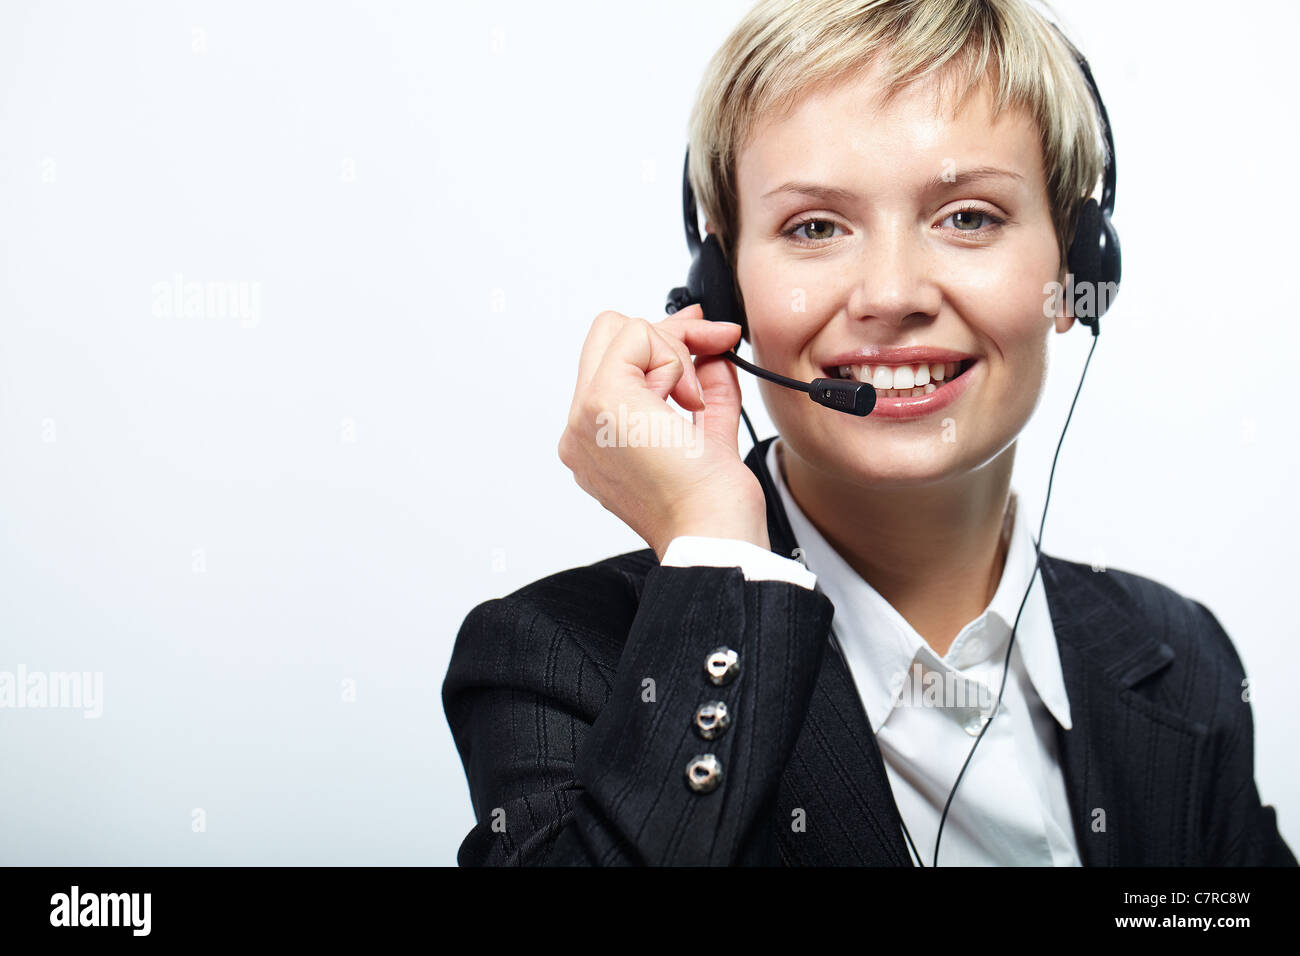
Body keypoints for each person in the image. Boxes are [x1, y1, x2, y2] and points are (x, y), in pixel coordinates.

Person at [442, 0, 1296, 866]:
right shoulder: (562, 661)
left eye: (969, 216)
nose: (892, 294)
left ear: (1080, 266)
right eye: (815, 227)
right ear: (723, 290)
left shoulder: (1182, 659)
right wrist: (716, 550)